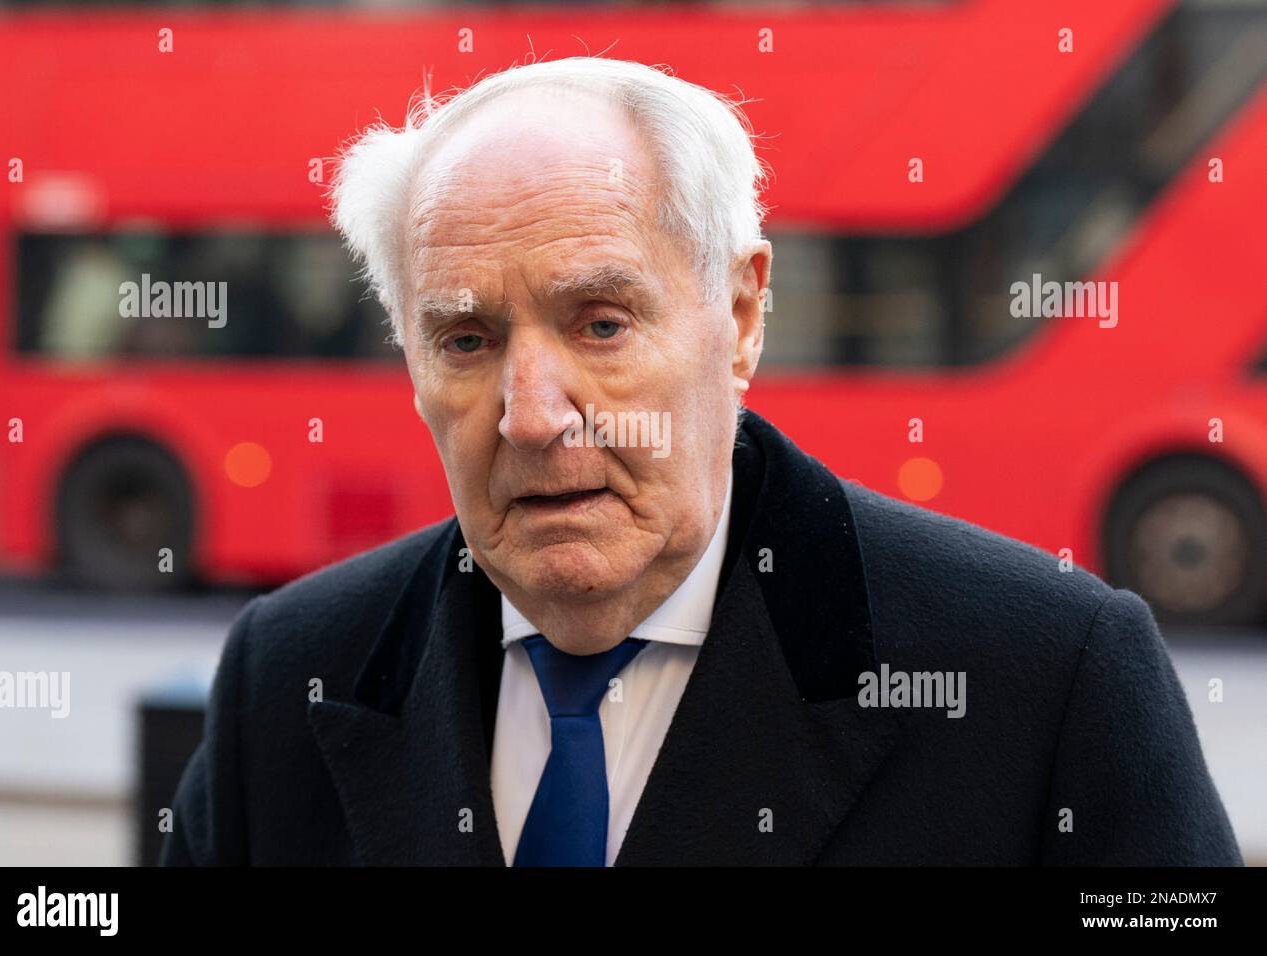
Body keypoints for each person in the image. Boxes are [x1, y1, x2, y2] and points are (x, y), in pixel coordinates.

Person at [161, 57, 1241, 866]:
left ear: (739, 313)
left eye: (600, 325)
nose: (532, 417)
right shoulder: (288, 673)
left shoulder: (1051, 675)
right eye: (465, 339)